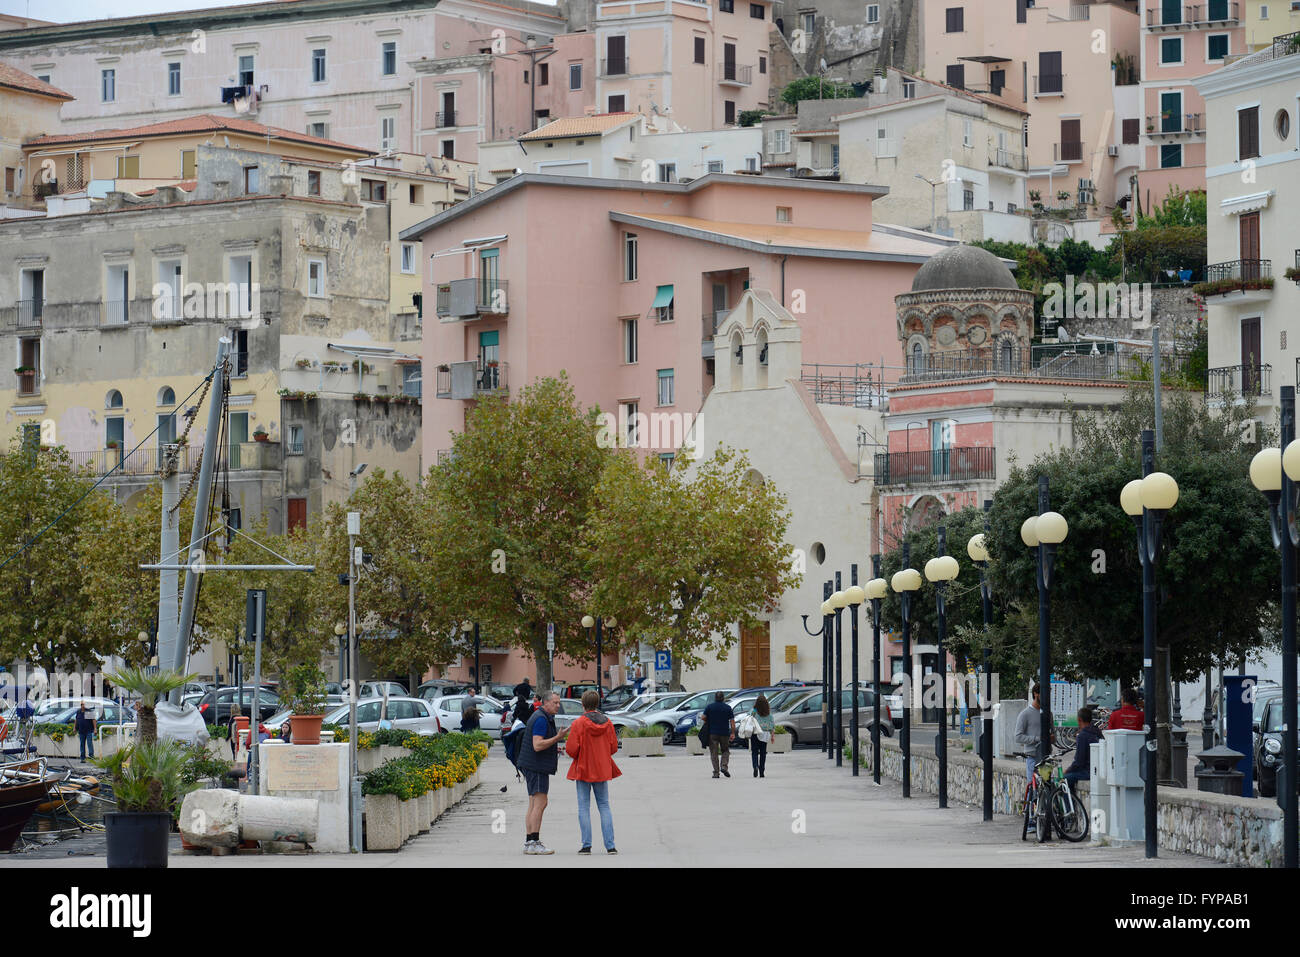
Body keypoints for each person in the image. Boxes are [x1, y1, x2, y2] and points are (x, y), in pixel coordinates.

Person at [564, 689, 620, 854]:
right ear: (597, 703)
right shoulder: (607, 722)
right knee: (604, 805)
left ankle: (586, 845)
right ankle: (610, 846)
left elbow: (572, 749)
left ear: (582, 704)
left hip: (583, 768)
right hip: (602, 768)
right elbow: (613, 747)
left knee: (583, 807)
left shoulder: (579, 723)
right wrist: (602, 754)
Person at [517, 691, 568, 855]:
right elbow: (537, 745)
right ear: (545, 703)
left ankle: (529, 842)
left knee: (533, 804)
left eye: (559, 702)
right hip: (536, 766)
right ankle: (534, 842)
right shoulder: (541, 719)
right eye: (555, 702)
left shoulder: (541, 716)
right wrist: (557, 738)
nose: (558, 705)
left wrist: (554, 746)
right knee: (540, 803)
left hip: (532, 764)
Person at [1064, 707, 1102, 793]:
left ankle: (1070, 805)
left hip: (1088, 771)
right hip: (1098, 769)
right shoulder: (1097, 732)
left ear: (1079, 719)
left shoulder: (1082, 735)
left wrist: (1068, 770)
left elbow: (1078, 762)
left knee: (1065, 779)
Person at [701, 691, 736, 779]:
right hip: (724, 733)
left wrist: (708, 720)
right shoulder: (728, 708)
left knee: (714, 753)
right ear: (723, 698)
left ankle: (716, 773)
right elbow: (732, 722)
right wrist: (732, 733)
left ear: (715, 698)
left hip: (713, 733)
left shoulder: (710, 707)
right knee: (725, 751)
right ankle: (724, 766)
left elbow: (703, 717)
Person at [751, 695, 775, 778]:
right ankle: (762, 771)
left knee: (754, 752)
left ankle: (755, 766)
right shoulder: (769, 713)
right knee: (763, 753)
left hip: (755, 733)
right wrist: (772, 736)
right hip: (765, 734)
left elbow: (749, 718)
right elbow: (772, 725)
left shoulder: (754, 711)